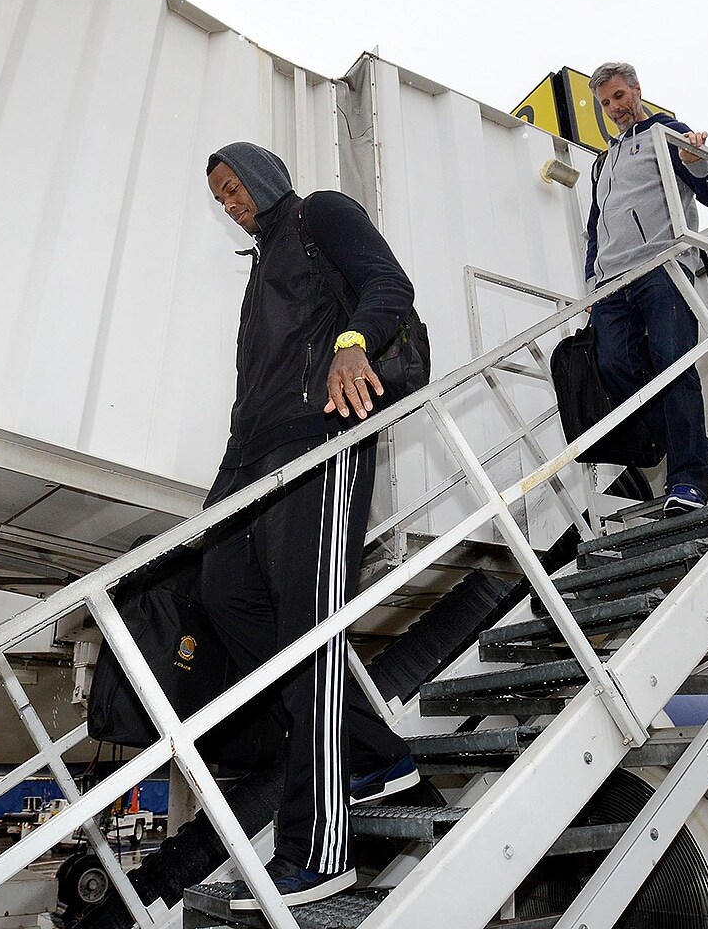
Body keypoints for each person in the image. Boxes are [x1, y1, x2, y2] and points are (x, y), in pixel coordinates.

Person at [198, 142, 419, 910]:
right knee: (223, 595)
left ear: (263, 177)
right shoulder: (260, 269)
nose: (230, 204)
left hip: (320, 440)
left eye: (234, 188)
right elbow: (252, 382)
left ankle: (320, 850)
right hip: (252, 458)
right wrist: (226, 479)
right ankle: (375, 750)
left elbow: (389, 285)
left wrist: (352, 345)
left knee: (308, 637)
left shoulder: (319, 214)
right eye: (220, 198)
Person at [584, 61, 708, 514]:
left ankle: (688, 479)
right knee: (614, 368)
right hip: (612, 282)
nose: (614, 107)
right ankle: (701, 450)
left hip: (662, 267)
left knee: (673, 366)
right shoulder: (602, 162)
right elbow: (595, 229)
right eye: (605, 103)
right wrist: (591, 283)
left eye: (619, 96)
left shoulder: (669, 133)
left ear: (637, 90)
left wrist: (696, 161)